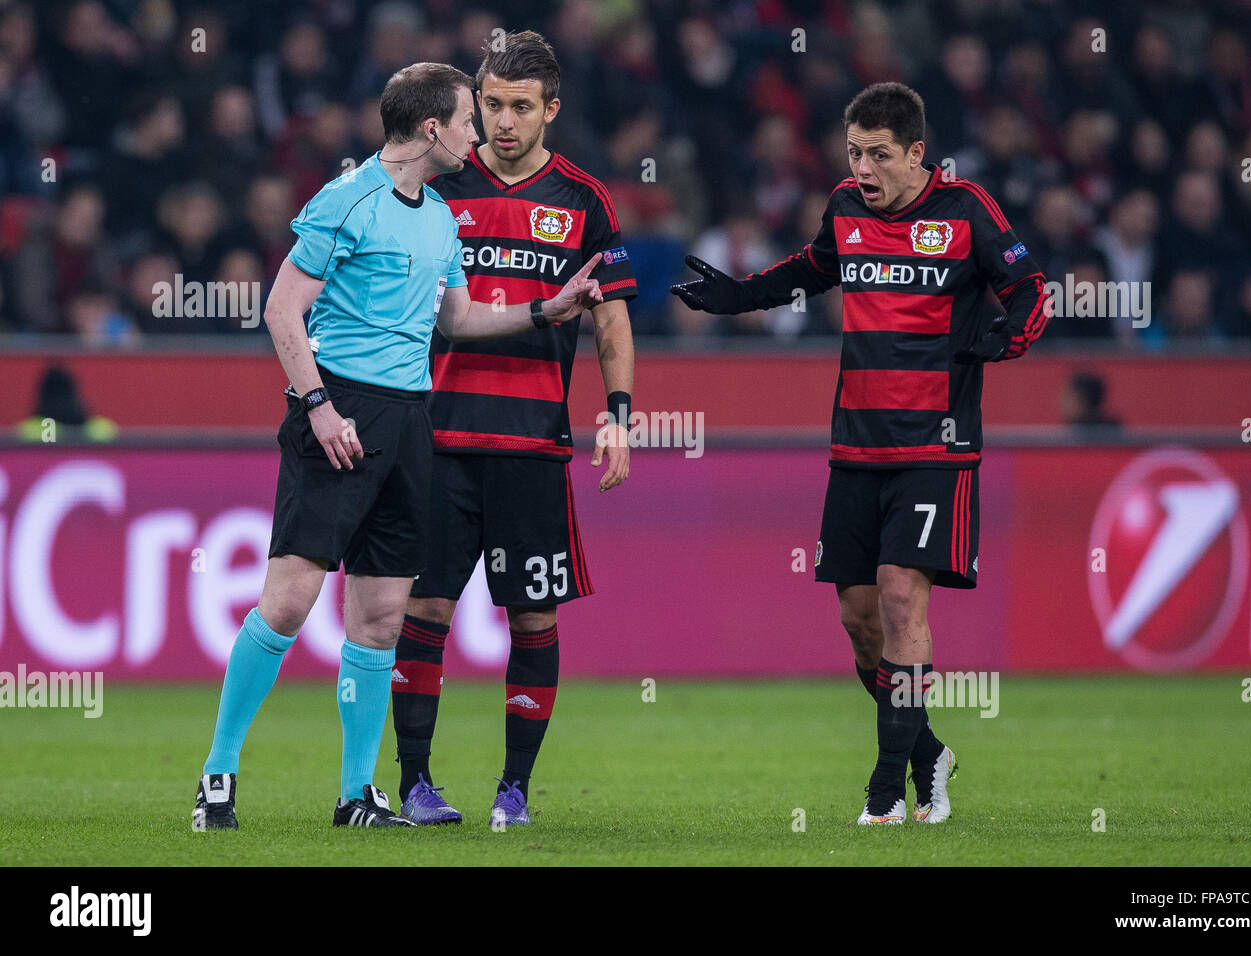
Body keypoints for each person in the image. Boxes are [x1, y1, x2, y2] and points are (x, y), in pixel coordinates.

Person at [192, 61, 605, 831]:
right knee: (286, 603)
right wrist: (317, 407)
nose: (478, 132)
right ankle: (218, 774)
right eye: (467, 119)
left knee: (382, 618)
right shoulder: (347, 202)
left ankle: (357, 794)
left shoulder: (440, 219)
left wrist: (551, 307)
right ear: (431, 129)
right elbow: (282, 311)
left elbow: (459, 321)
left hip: (415, 422)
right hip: (339, 414)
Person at [672, 82, 1050, 825]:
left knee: (902, 594)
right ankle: (928, 752)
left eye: (879, 155)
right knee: (859, 617)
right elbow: (813, 268)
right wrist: (738, 297)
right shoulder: (845, 207)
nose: (865, 168)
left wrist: (1007, 338)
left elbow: (1031, 288)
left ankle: (885, 798)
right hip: (856, 445)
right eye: (855, 153)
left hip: (936, 448)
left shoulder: (966, 209)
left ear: (916, 154)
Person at [391, 31, 637, 828]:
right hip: (437, 439)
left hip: (531, 444)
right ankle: (416, 784)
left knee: (532, 617)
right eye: (491, 104)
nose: (502, 121)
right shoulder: (440, 186)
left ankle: (514, 790)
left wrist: (620, 414)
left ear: (551, 110)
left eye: (520, 108)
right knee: (423, 611)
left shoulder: (584, 202)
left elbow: (613, 316)